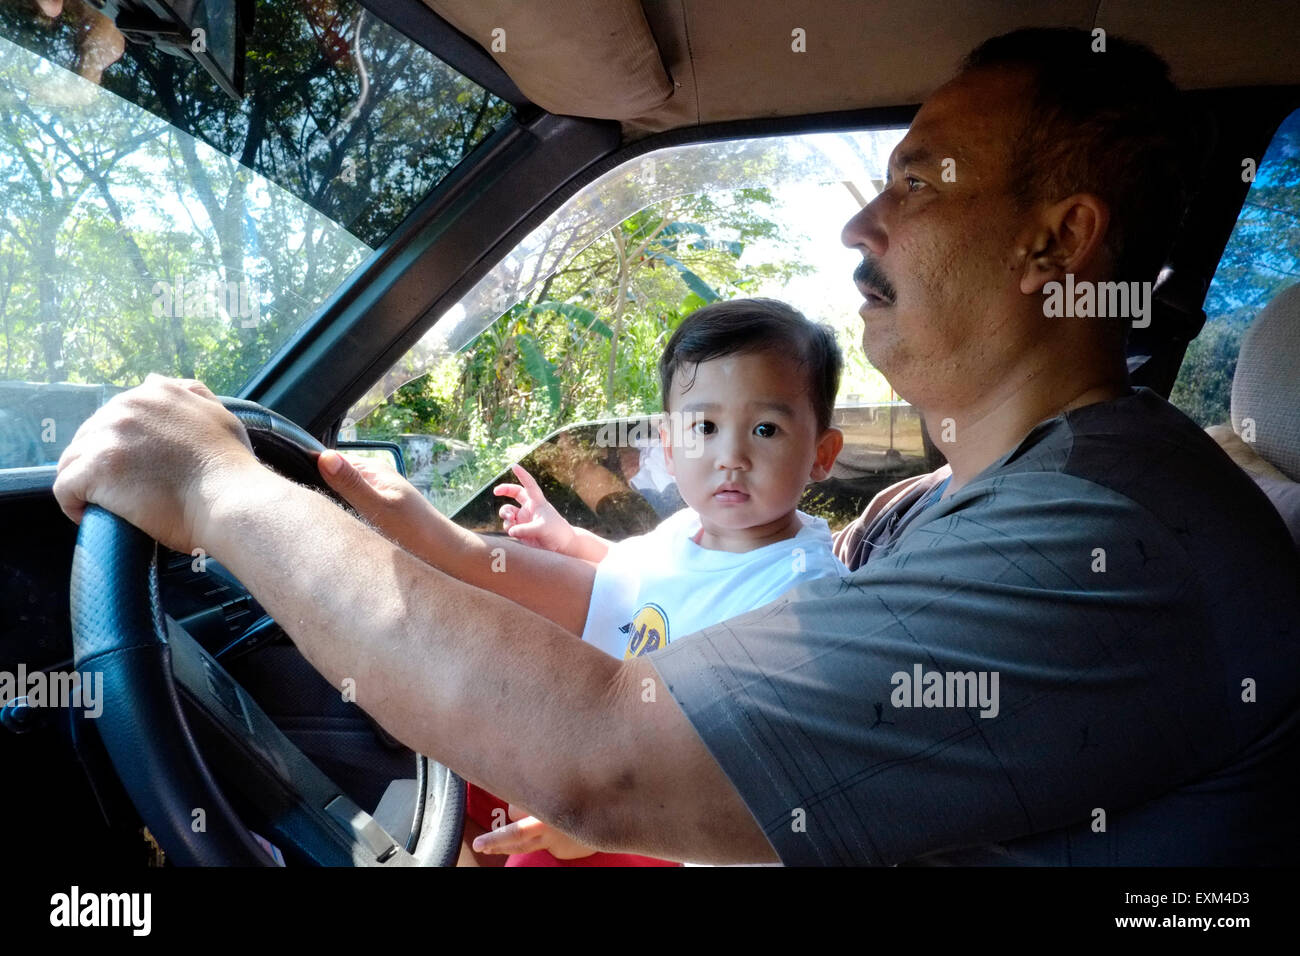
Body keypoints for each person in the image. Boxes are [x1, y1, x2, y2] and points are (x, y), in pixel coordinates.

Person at [52, 27, 1300, 865]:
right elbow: (630, 608)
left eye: (920, 179)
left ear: (1058, 244)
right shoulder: (987, 497)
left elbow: (605, 753)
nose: (864, 216)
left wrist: (217, 486)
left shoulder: (1106, 540)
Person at [326, 298, 848, 865]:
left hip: (669, 822)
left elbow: (756, 763)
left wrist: (613, 821)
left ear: (821, 454)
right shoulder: (690, 530)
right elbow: (629, 571)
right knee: (458, 771)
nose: (731, 456)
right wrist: (568, 539)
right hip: (596, 748)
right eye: (705, 426)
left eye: (765, 429)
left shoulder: (804, 592)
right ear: (670, 450)